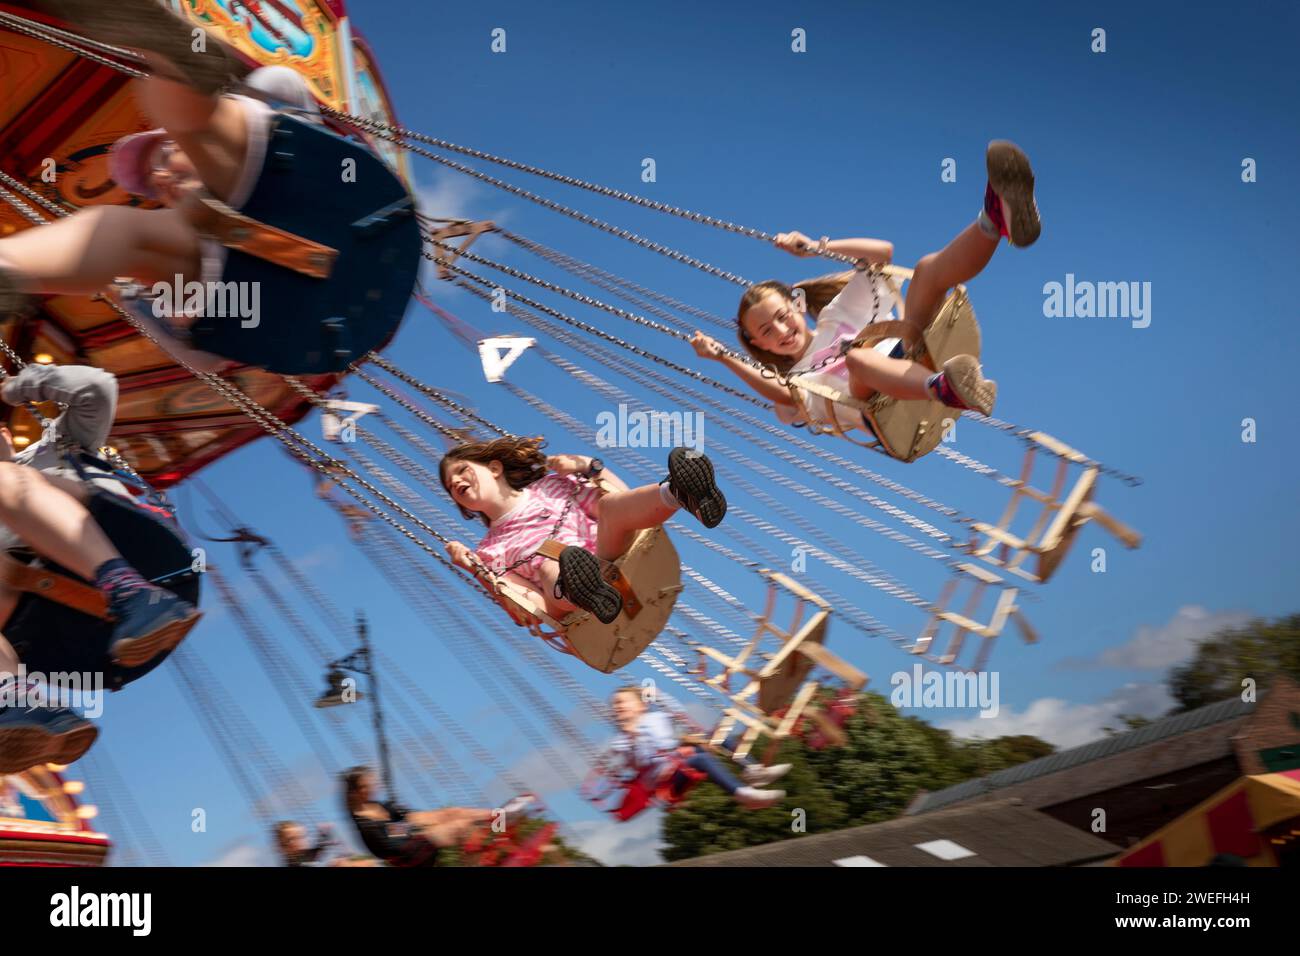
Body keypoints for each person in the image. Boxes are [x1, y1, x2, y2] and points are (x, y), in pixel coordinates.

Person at [0, 0, 420, 374]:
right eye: (150, 183)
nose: (159, 178)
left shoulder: (253, 138)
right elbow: (204, 360)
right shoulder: (181, 244)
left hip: (302, 191)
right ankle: (11, 267)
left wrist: (251, 96)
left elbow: (284, 84)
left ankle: (180, 67)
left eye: (163, 159)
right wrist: (152, 305)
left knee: (209, 132)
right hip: (266, 297)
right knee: (123, 230)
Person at [690, 140, 1042, 438]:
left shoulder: (835, 316)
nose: (782, 330)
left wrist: (816, 247)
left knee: (924, 271)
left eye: (782, 316)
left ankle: (995, 219)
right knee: (858, 358)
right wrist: (722, 356)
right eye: (767, 330)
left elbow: (881, 253)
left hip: (911, 353)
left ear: (798, 305)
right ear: (757, 345)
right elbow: (782, 393)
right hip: (882, 412)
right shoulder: (795, 382)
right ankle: (943, 387)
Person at [0, 363, 200, 774]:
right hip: (69, 643)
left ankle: (130, 591)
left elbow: (96, 388)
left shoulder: (49, 450)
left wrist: (15, 388)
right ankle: (17, 698)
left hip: (143, 559)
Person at [441, 437, 726, 625]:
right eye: (450, 486)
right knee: (551, 567)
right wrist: (476, 570)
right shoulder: (489, 552)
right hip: (571, 601)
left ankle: (682, 493)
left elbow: (618, 500)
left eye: (461, 471)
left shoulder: (552, 486)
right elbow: (535, 611)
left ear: (494, 468)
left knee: (612, 508)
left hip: (612, 552)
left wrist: (590, 468)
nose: (455, 482)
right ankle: (587, 591)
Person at [604, 686, 788, 812]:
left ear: (642, 705)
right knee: (701, 759)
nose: (618, 706)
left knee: (718, 736)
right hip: (664, 779)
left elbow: (676, 711)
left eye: (623, 701)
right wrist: (633, 736)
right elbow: (639, 764)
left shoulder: (656, 718)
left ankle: (753, 770)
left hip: (678, 762)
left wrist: (658, 695)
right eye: (615, 704)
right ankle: (743, 794)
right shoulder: (621, 741)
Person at [342, 766, 534, 867]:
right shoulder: (365, 823)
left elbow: (410, 818)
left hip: (411, 839)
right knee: (459, 827)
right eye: (369, 785)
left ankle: (501, 818)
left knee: (453, 813)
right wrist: (422, 828)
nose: (376, 787)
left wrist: (435, 819)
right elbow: (392, 842)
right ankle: (486, 860)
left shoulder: (378, 806)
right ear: (359, 791)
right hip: (407, 855)